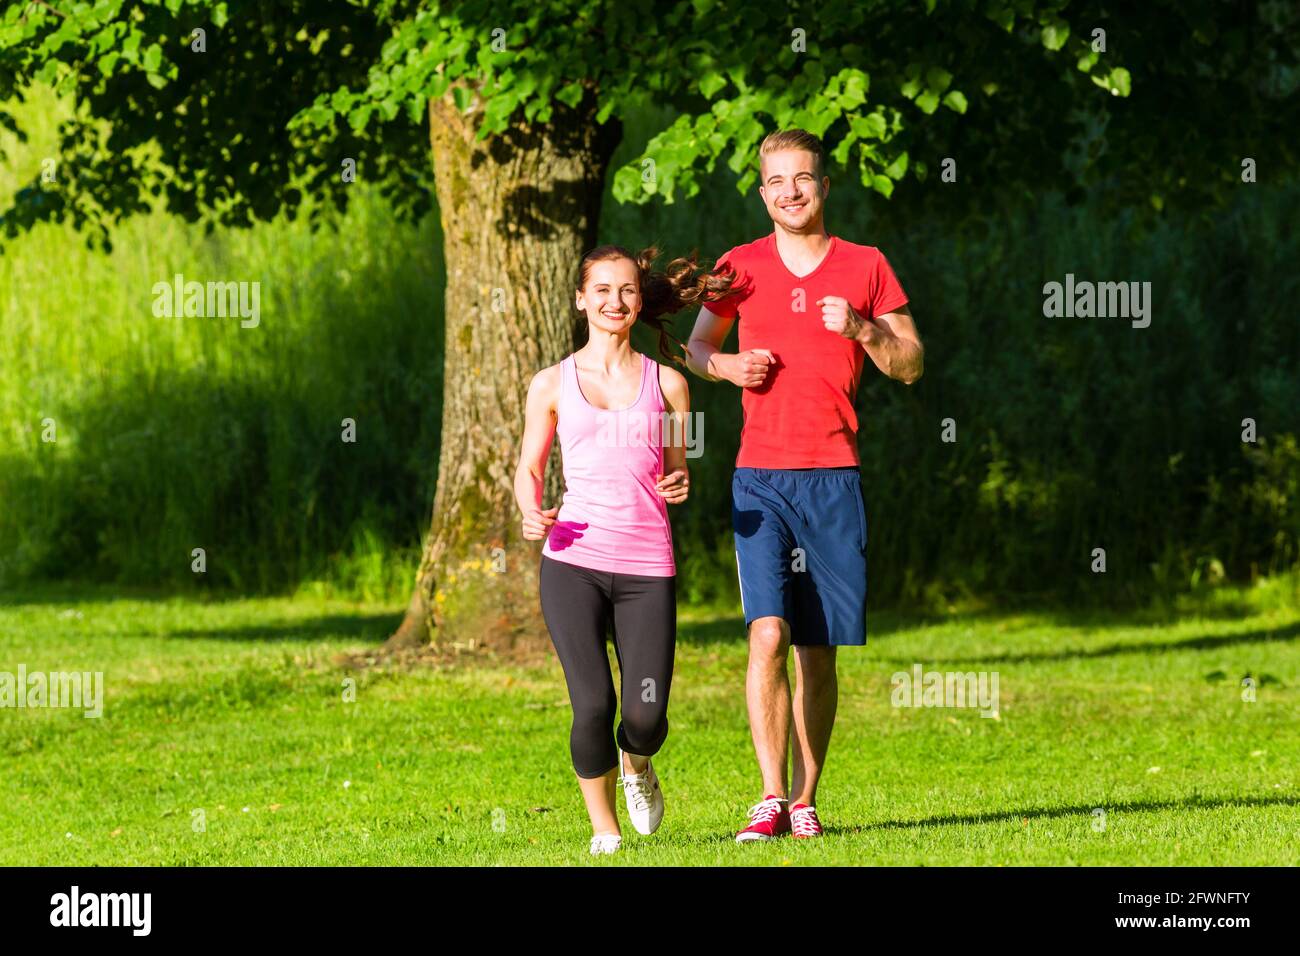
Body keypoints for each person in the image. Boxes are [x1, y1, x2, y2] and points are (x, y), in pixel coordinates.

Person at [684, 129, 925, 841]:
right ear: (762, 192)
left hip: (834, 477)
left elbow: (910, 365)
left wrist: (863, 330)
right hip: (760, 477)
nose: (789, 191)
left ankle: (805, 798)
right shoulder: (739, 267)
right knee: (766, 633)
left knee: (816, 649)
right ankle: (766, 797)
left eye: (803, 178)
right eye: (775, 181)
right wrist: (727, 368)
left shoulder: (866, 265)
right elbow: (698, 348)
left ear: (824, 185)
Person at [514, 244, 734, 855]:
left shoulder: (668, 384)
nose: (616, 301)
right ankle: (603, 828)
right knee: (591, 704)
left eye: (628, 291)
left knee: (643, 714)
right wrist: (532, 510)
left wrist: (681, 480)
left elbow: (675, 467)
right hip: (572, 560)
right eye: (603, 290)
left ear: (640, 301)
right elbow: (530, 467)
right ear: (582, 298)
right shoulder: (550, 384)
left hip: (645, 564)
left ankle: (637, 766)